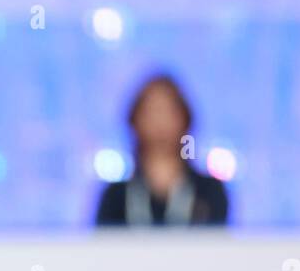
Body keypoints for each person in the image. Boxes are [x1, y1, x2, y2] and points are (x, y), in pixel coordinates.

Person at [95, 73, 229, 227]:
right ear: (135, 121)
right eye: (151, 111)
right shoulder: (116, 196)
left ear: (184, 119)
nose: (160, 122)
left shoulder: (209, 192)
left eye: (168, 111)